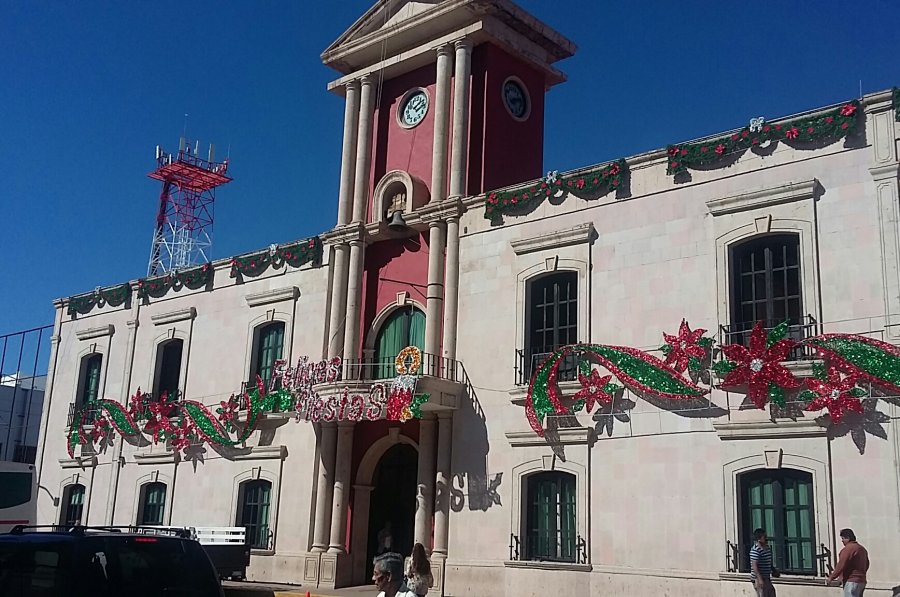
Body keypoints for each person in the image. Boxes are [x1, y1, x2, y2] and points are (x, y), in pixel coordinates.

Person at [827, 528, 869, 596]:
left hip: (851, 581)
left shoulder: (848, 549)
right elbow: (867, 564)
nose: (842, 541)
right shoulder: (862, 549)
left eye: (843, 538)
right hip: (861, 581)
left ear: (848, 538)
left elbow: (841, 564)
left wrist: (831, 577)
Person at [750, 528, 777, 597]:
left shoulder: (767, 548)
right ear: (759, 539)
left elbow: (768, 561)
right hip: (758, 578)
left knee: (771, 593)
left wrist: (773, 570)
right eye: (764, 537)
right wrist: (759, 579)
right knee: (762, 594)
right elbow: (754, 566)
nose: (766, 538)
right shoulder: (755, 550)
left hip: (766, 577)